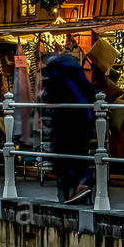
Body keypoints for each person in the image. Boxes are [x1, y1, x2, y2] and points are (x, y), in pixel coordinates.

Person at [41, 53, 94, 203]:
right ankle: (83, 184)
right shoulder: (77, 75)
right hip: (84, 119)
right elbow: (90, 93)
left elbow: (49, 96)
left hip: (64, 121)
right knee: (79, 155)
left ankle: (71, 191)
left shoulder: (55, 74)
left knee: (63, 157)